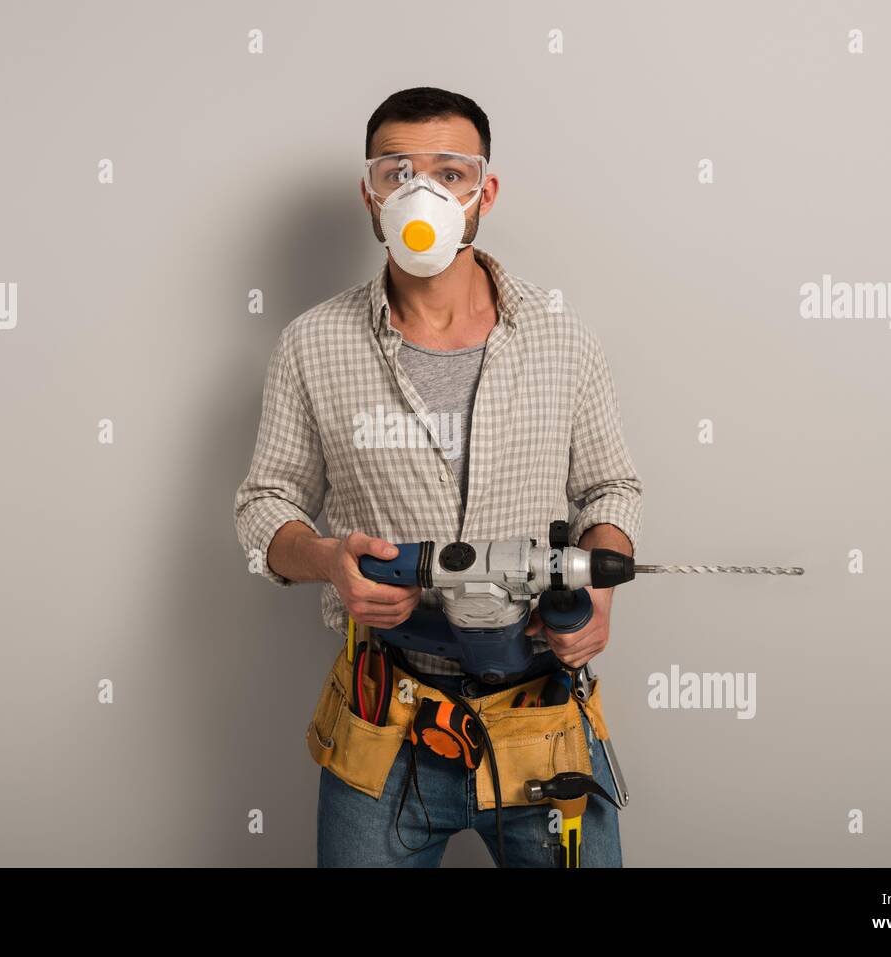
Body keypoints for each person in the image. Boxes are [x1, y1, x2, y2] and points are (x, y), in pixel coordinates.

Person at [234, 87, 643, 867]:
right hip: (382, 729)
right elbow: (264, 506)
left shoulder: (563, 342)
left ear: (484, 191)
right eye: (397, 171)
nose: (422, 192)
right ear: (370, 193)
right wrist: (328, 561)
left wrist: (598, 585)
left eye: (450, 172)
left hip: (542, 722)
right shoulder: (311, 345)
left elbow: (611, 488)